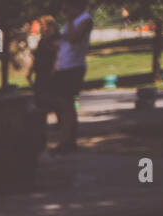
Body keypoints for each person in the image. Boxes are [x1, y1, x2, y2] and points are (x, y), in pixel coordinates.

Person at [50, 0, 93, 154]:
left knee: (67, 106)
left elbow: (74, 38)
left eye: (66, 6)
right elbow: (66, 42)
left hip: (74, 67)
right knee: (64, 106)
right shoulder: (73, 21)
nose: (64, 10)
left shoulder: (85, 20)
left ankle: (65, 142)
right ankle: (69, 141)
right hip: (64, 66)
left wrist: (69, 20)